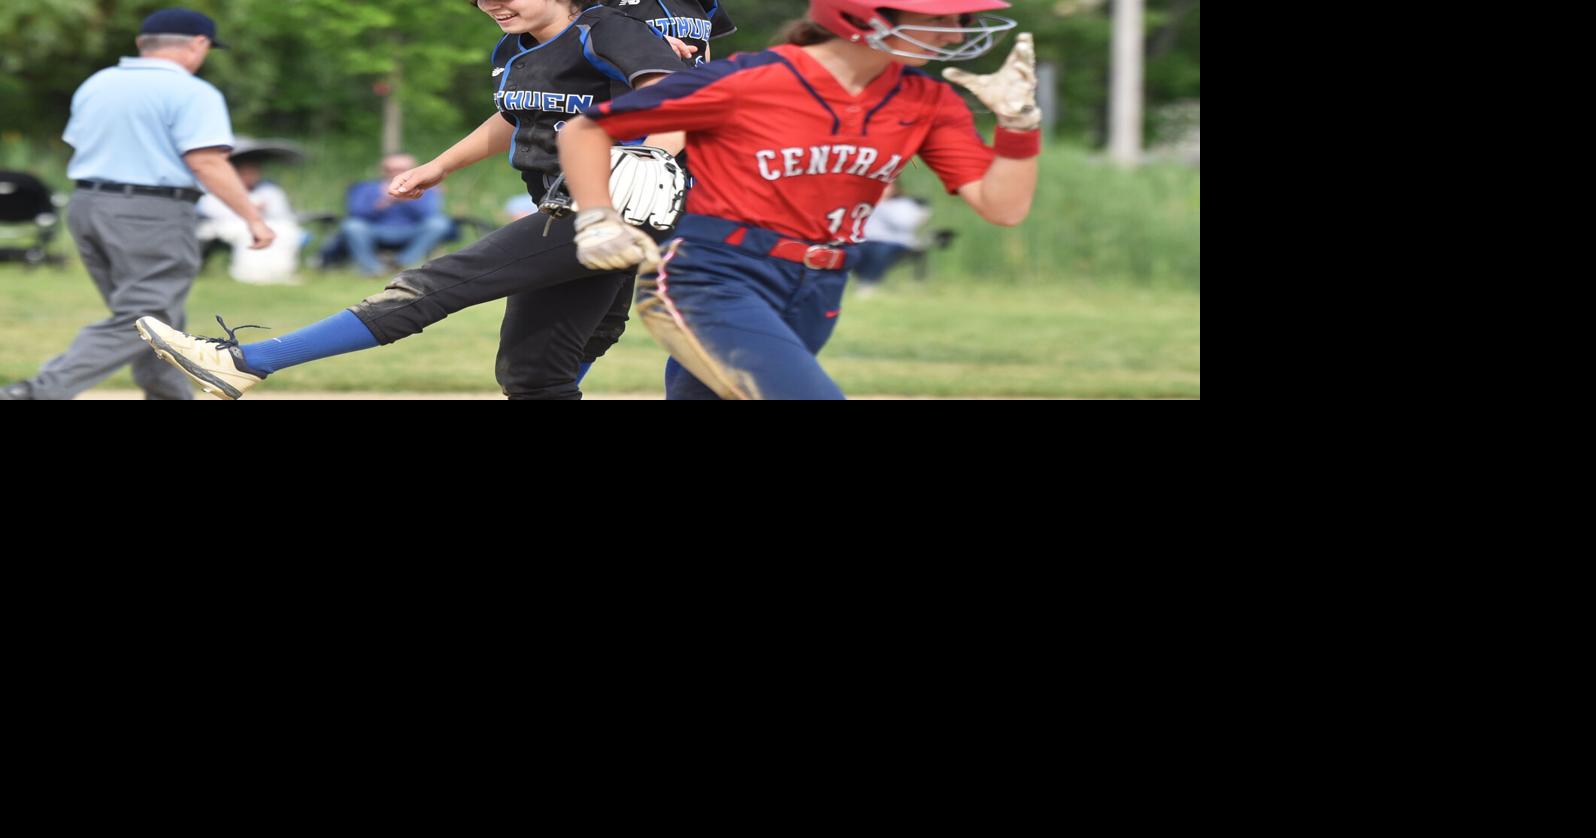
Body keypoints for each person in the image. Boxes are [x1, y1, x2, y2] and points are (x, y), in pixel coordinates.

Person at [134, 0, 693, 400]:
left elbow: (669, 94)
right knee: (535, 375)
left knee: (437, 284)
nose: (490, 3)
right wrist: (438, 166)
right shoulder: (514, 47)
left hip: (604, 208)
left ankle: (245, 363)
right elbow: (512, 114)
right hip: (561, 206)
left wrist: (654, 159)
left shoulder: (609, 29)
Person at [556, 0, 1041, 399]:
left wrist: (1020, 127)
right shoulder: (749, 79)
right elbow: (587, 128)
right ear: (865, 14)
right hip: (713, 277)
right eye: (939, 19)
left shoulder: (928, 100)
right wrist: (598, 218)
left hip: (817, 287)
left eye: (961, 20)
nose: (956, 35)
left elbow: (1002, 207)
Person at [1, 7, 274, 402]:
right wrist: (253, 217)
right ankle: (38, 391)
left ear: (141, 44)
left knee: (151, 319)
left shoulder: (97, 83)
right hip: (151, 212)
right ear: (199, 44)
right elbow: (207, 161)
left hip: (88, 205)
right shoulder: (193, 91)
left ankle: (168, 395)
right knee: (146, 314)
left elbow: (81, 144)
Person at [318, 153, 455, 276]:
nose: (397, 173)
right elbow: (355, 213)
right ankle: (372, 269)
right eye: (391, 169)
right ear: (382, 170)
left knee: (438, 223)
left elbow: (430, 214)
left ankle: (402, 265)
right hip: (375, 230)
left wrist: (406, 199)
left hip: (412, 229)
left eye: (402, 169)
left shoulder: (427, 189)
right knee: (352, 226)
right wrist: (382, 203)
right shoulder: (365, 188)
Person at [197, 157, 304, 284]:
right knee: (247, 232)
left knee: (286, 230)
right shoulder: (220, 188)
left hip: (267, 223)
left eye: (254, 171)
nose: (251, 175)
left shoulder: (268, 189)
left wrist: (262, 211)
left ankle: (281, 273)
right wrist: (246, 210)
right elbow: (211, 211)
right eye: (246, 171)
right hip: (226, 225)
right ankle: (249, 273)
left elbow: (282, 213)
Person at [853, 182, 932, 294]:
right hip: (868, 240)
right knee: (854, 250)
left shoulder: (904, 205)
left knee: (879, 252)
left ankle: (868, 283)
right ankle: (862, 281)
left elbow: (904, 223)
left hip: (894, 242)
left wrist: (882, 205)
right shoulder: (865, 203)